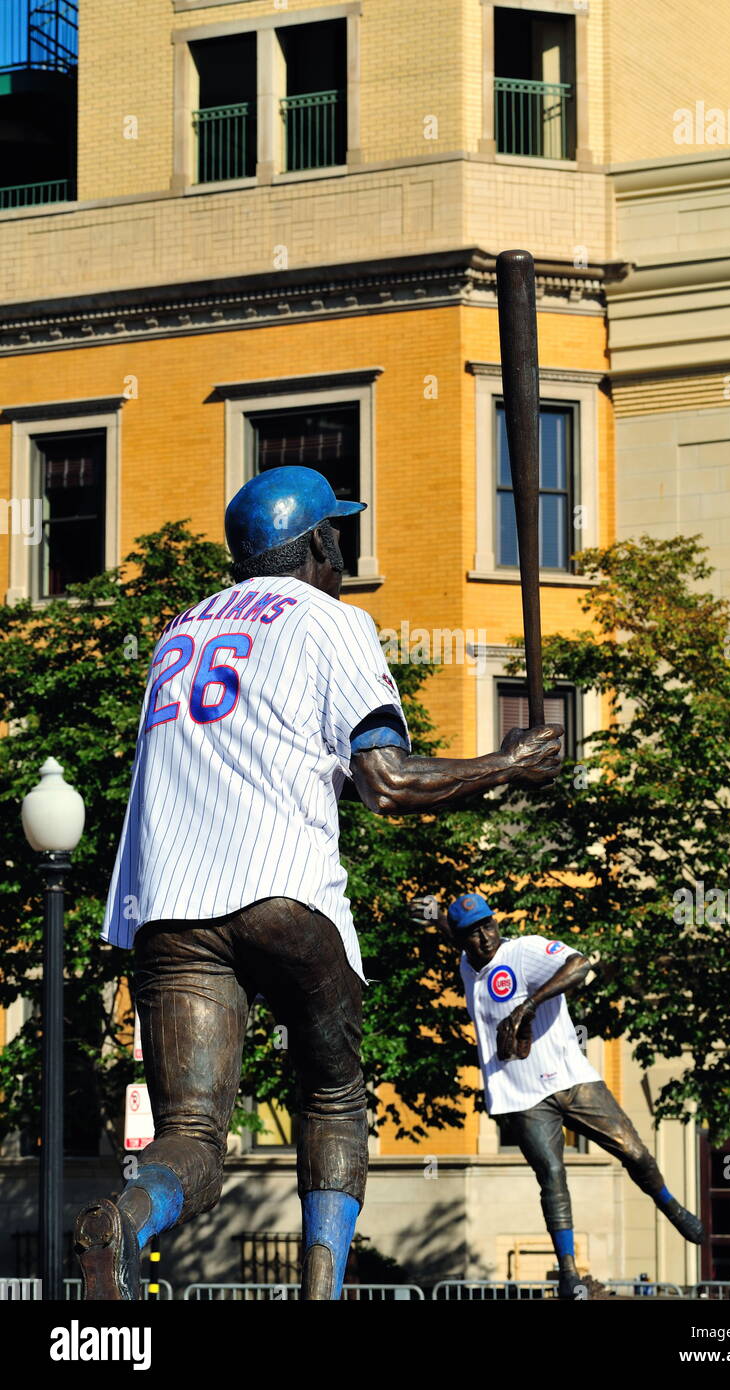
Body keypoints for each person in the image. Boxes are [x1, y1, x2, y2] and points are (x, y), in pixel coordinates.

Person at [74, 465, 564, 1301]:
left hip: (166, 911)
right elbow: (389, 783)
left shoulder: (177, 631)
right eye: (339, 534)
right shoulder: (329, 619)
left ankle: (126, 1216)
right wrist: (508, 766)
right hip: (281, 894)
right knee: (334, 1088)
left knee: (192, 1133)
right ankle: (321, 1294)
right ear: (317, 546)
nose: (345, 549)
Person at [444, 891, 704, 1299]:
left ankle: (669, 1204)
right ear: (460, 943)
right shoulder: (467, 966)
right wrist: (429, 915)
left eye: (488, 926)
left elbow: (580, 965)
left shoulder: (523, 951)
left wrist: (529, 1004)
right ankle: (569, 1273)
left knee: (634, 1152)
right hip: (523, 1096)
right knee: (551, 1175)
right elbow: (448, 926)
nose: (484, 938)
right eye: (473, 934)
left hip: (571, 1079)